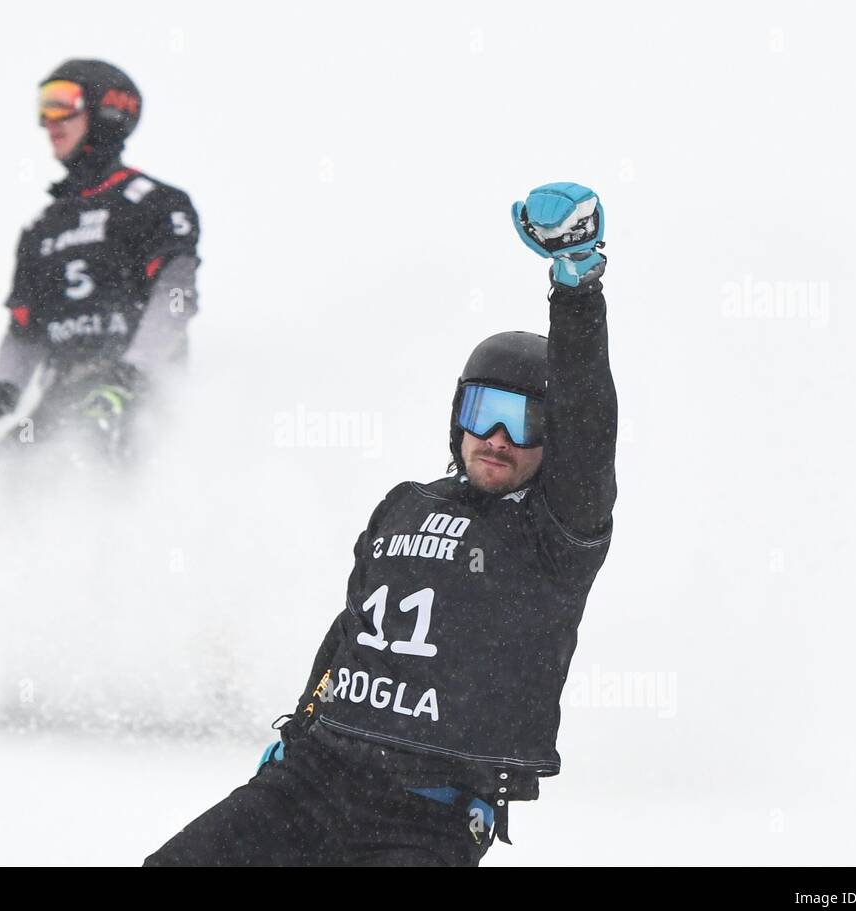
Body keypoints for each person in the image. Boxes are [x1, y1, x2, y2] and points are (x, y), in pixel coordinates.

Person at [145, 182, 617, 866]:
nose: (496, 436)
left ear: (554, 440)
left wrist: (577, 290)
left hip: (427, 815)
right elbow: (349, 634)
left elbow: (589, 417)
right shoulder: (404, 504)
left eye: (523, 421)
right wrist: (302, 726)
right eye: (482, 410)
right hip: (313, 779)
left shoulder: (556, 537)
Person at [0, 59, 200, 457]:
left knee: (111, 467)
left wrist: (131, 376)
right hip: (63, 397)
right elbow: (24, 331)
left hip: (137, 391)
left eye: (61, 103)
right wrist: (2, 395)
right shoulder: (42, 229)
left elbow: (177, 296)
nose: (47, 121)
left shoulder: (154, 203)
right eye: (43, 106)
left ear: (107, 110)